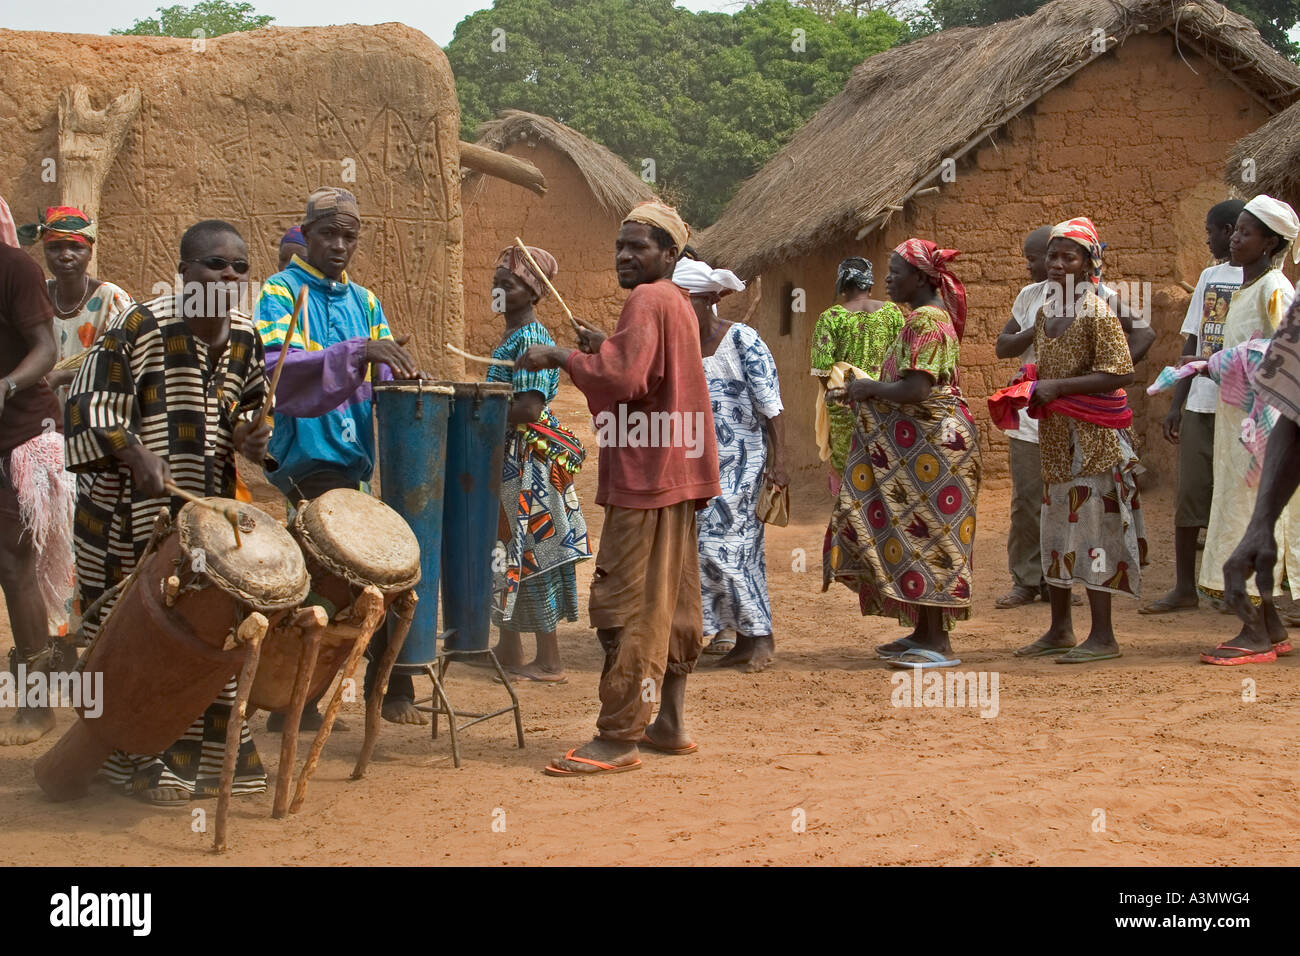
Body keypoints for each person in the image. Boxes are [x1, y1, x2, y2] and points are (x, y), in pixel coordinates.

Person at [64, 220, 273, 803]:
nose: (228, 276)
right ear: (184, 272)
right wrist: (134, 453)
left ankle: (191, 761)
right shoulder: (140, 325)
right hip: (124, 517)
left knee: (200, 627)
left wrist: (250, 439)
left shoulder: (245, 336)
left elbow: (247, 411)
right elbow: (86, 408)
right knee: (141, 635)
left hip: (200, 512)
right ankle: (128, 762)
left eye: (238, 267)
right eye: (214, 264)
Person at [517, 199, 719, 775]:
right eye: (620, 247)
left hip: (647, 476)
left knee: (628, 603)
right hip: (677, 473)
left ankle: (619, 735)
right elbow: (649, 372)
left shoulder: (649, 298)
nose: (625, 256)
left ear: (670, 254)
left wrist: (562, 355)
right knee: (673, 599)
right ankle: (669, 721)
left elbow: (627, 379)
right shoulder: (674, 302)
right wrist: (603, 345)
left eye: (639, 247)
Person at [254, 186, 429, 728]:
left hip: (354, 452)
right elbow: (276, 366)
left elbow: (379, 369)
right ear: (306, 234)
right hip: (306, 450)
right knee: (331, 576)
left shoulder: (365, 301)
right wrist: (359, 353)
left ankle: (356, 687)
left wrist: (396, 369)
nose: (339, 245)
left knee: (362, 573)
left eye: (348, 236)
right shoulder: (281, 292)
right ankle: (299, 699)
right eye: (328, 233)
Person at [824, 238, 980, 669]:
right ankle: (923, 633)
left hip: (938, 449)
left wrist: (866, 387)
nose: (887, 279)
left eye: (895, 272)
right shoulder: (916, 320)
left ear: (921, 278)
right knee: (917, 536)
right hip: (922, 451)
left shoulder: (927, 321)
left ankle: (940, 645)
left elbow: (917, 389)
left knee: (931, 538)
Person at [994, 225, 1153, 609]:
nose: (1052, 265)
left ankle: (1084, 606)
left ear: (1088, 263)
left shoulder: (1100, 303)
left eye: (1068, 257)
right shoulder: (1035, 300)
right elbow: (1003, 347)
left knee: (1091, 514)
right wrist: (1038, 332)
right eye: (1050, 257)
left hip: (1085, 427)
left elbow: (1134, 349)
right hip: (1041, 423)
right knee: (1039, 507)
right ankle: (1036, 584)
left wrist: (1093, 385)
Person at [1196, 196, 1299, 663]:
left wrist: (1225, 362)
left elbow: (1284, 359)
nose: (1235, 239)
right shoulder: (1243, 286)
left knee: (1246, 517)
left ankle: (1254, 632)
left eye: (1245, 233)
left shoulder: (1274, 288)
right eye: (1234, 230)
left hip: (1262, 432)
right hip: (1236, 426)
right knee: (1236, 510)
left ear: (1271, 242)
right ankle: (1271, 627)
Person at [485, 245, 591, 683]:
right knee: (509, 549)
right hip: (513, 459)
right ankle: (508, 647)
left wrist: (477, 408)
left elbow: (528, 408)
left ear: (533, 293)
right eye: (495, 280)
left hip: (528, 463)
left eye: (507, 284)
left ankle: (549, 660)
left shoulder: (530, 338)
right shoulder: (513, 335)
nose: (496, 289)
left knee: (533, 550)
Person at [676, 256, 786, 673]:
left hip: (744, 466)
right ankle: (742, 637)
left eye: (683, 303)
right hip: (697, 468)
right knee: (723, 553)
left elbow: (771, 406)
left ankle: (761, 638)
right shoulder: (679, 346)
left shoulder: (742, 340)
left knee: (724, 548)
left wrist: (779, 462)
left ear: (705, 300)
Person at [1142, 199, 1244, 614]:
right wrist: (1176, 405)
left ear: (1230, 230)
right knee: (1190, 497)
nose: (1208, 238)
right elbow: (1192, 341)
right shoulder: (1210, 277)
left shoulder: (1274, 285)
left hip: (1241, 407)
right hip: (1201, 403)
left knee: (1236, 499)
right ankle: (1186, 588)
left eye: (1212, 230)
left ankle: (1235, 591)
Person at [0, 235, 69, 746]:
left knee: (13, 564)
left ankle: (36, 702)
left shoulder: (13, 268)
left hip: (20, 433)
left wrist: (5, 384)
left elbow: (45, 348)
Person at [810, 257, 905, 496]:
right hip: (885, 397)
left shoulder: (831, 318)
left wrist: (839, 391)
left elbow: (822, 369)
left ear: (842, 286)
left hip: (844, 400)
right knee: (886, 457)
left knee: (849, 459)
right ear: (869, 285)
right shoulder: (892, 313)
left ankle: (852, 512)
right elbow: (903, 357)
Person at [17, 206, 132, 396]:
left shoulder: (111, 299)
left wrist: (64, 376)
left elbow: (127, 365)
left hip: (95, 414)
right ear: (44, 252)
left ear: (90, 253)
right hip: (42, 413)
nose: (65, 256)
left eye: (76, 247)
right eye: (54, 248)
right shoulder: (36, 295)